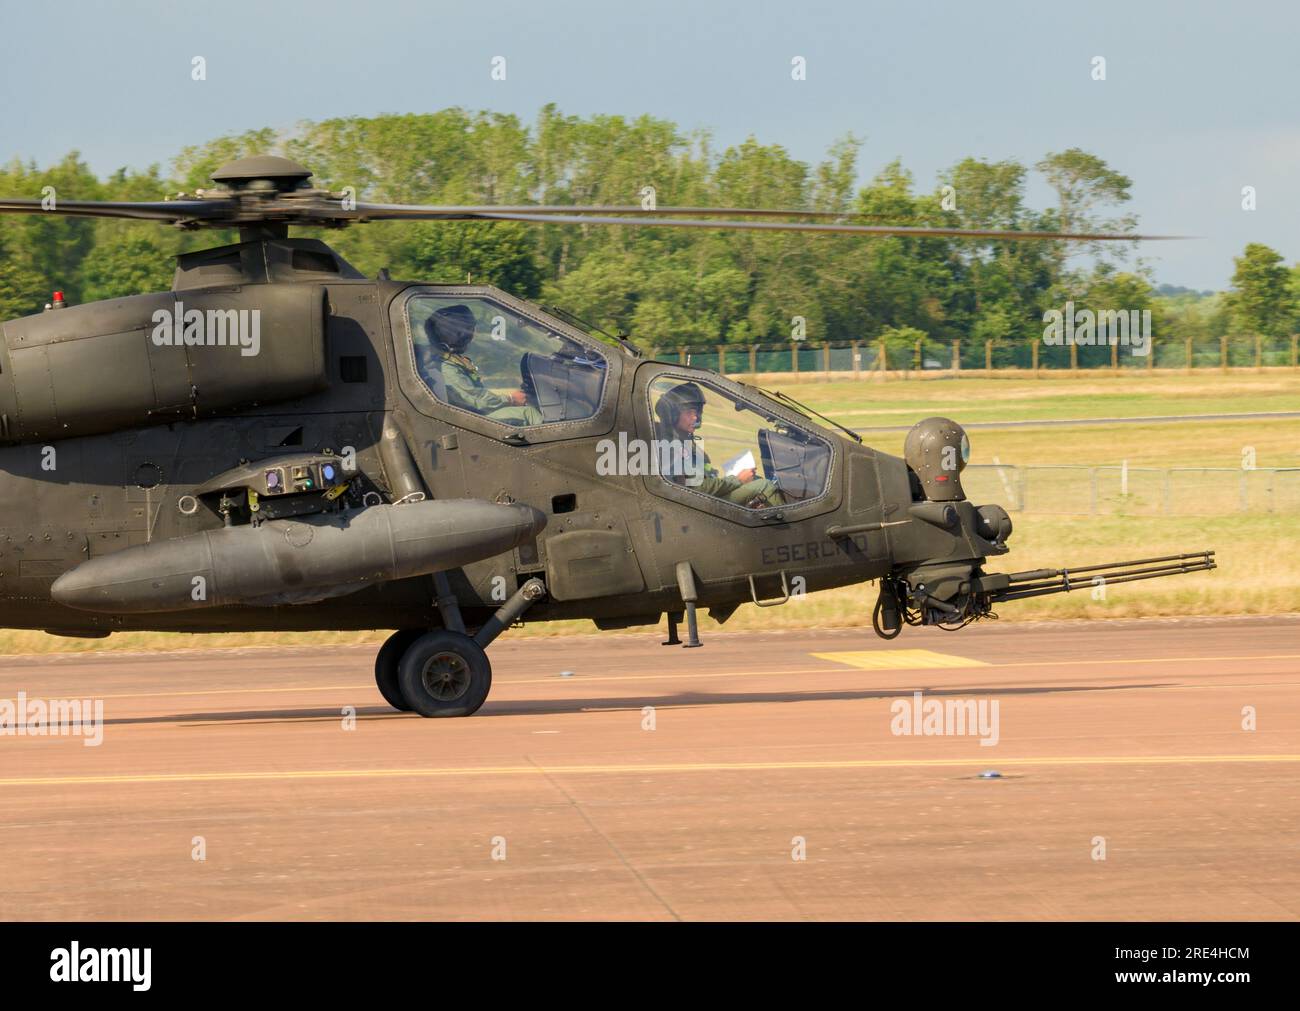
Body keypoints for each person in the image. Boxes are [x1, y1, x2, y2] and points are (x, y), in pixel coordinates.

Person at [653, 381, 784, 509]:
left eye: (697, 412)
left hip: (701, 500)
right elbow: (699, 488)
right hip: (695, 506)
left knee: (754, 479)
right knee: (765, 486)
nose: (695, 418)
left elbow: (705, 477)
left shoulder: (685, 442)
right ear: (672, 415)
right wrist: (737, 480)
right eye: (689, 413)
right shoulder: (669, 445)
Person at [419, 304, 542, 426]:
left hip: (470, 415)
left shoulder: (449, 360)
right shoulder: (445, 366)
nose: (473, 335)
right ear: (458, 334)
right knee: (529, 413)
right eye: (469, 330)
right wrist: (510, 399)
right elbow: (476, 399)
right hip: (468, 422)